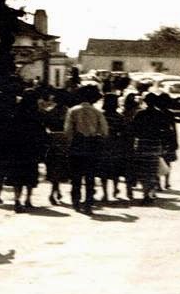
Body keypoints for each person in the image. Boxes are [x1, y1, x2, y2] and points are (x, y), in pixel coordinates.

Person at [63, 84, 109, 213]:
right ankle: (88, 203)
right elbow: (105, 131)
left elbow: (68, 131)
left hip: (77, 145)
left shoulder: (73, 110)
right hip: (92, 145)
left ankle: (76, 202)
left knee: (76, 176)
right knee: (90, 177)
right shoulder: (97, 112)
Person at [6, 89, 49, 212]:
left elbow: (10, 130)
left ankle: (17, 200)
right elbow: (42, 131)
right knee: (30, 173)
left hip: (17, 147)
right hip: (31, 147)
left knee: (17, 175)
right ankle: (28, 200)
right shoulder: (37, 113)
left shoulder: (15, 112)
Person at [128, 92, 166, 204]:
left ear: (145, 101)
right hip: (155, 144)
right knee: (152, 170)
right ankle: (150, 193)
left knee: (143, 170)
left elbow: (133, 129)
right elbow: (165, 129)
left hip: (142, 144)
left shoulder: (140, 114)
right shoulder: (159, 114)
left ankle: (146, 194)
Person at [39, 88, 70, 206]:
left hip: (52, 139)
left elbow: (45, 125)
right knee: (61, 166)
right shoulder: (68, 112)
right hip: (65, 140)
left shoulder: (50, 111)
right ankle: (55, 191)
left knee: (53, 166)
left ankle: (55, 191)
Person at [99, 93, 127, 202]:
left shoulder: (101, 115)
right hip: (116, 145)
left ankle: (105, 193)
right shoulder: (119, 117)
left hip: (103, 144)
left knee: (103, 170)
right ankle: (115, 189)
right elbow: (124, 132)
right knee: (115, 169)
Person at [155, 92, 180, 190]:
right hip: (168, 139)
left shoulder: (156, 113)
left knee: (157, 161)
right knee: (168, 161)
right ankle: (166, 182)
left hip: (159, 138)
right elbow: (174, 129)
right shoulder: (170, 113)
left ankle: (158, 183)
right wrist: (175, 141)